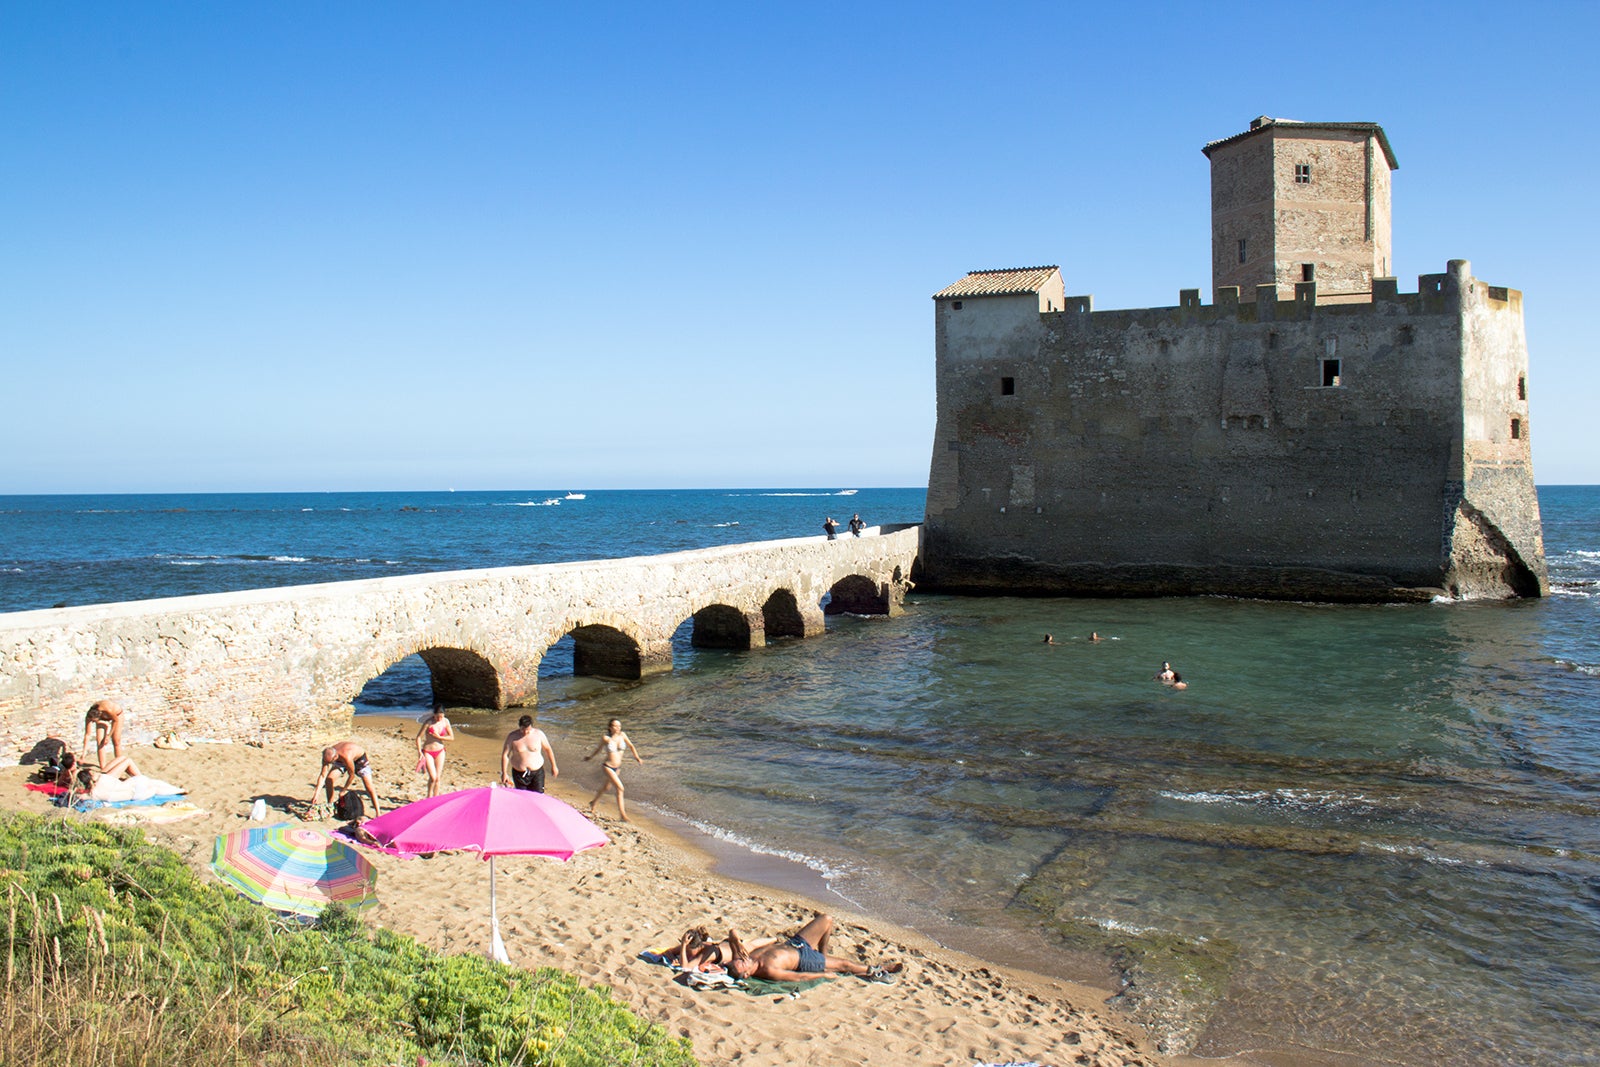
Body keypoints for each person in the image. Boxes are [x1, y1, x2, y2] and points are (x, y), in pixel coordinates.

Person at [726, 913, 901, 983]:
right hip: (804, 959)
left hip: (794, 943)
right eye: (742, 964)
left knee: (826, 919)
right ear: (747, 974)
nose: (743, 959)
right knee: (845, 965)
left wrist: (735, 938)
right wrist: (822, 974)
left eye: (739, 960)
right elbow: (798, 977)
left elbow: (732, 933)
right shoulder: (769, 970)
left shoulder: (744, 956)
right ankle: (877, 972)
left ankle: (824, 957)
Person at [584, 718, 643, 820]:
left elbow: (631, 746)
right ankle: (622, 815)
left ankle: (593, 802)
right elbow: (598, 749)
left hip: (617, 768)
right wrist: (590, 757)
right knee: (620, 788)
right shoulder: (606, 738)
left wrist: (637, 758)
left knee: (606, 788)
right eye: (615, 726)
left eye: (619, 726)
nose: (618, 728)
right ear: (610, 727)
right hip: (608, 766)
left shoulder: (623, 735)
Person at [310, 741, 382, 815]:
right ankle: (330, 806)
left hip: (359, 760)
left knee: (369, 787)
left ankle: (378, 812)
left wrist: (343, 790)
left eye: (330, 762)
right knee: (329, 779)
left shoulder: (347, 756)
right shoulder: (327, 756)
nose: (328, 764)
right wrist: (316, 794)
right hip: (340, 760)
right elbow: (323, 775)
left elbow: (351, 775)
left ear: (335, 757)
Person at [501, 714, 559, 793]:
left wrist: (554, 766)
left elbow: (548, 749)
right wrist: (504, 773)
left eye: (527, 729)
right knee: (522, 797)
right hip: (519, 773)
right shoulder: (512, 736)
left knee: (538, 797)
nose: (525, 732)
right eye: (522, 729)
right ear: (519, 726)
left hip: (537, 772)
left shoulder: (539, 734)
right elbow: (505, 755)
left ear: (531, 726)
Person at [415, 702, 455, 798]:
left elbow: (452, 737)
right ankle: (429, 796)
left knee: (437, 778)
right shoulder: (428, 722)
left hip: (440, 751)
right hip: (428, 751)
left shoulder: (445, 722)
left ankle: (435, 798)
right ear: (434, 714)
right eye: (437, 716)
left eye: (441, 716)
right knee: (433, 777)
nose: (439, 719)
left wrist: (439, 737)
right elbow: (418, 737)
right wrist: (420, 752)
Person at [82, 699, 126, 767]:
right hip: (102, 718)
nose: (93, 722)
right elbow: (87, 734)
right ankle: (103, 766)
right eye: (92, 721)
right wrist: (83, 755)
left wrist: (108, 736)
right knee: (100, 741)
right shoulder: (89, 716)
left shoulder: (107, 709)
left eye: (94, 721)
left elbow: (115, 721)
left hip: (117, 715)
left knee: (116, 740)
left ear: (98, 715)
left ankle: (120, 763)